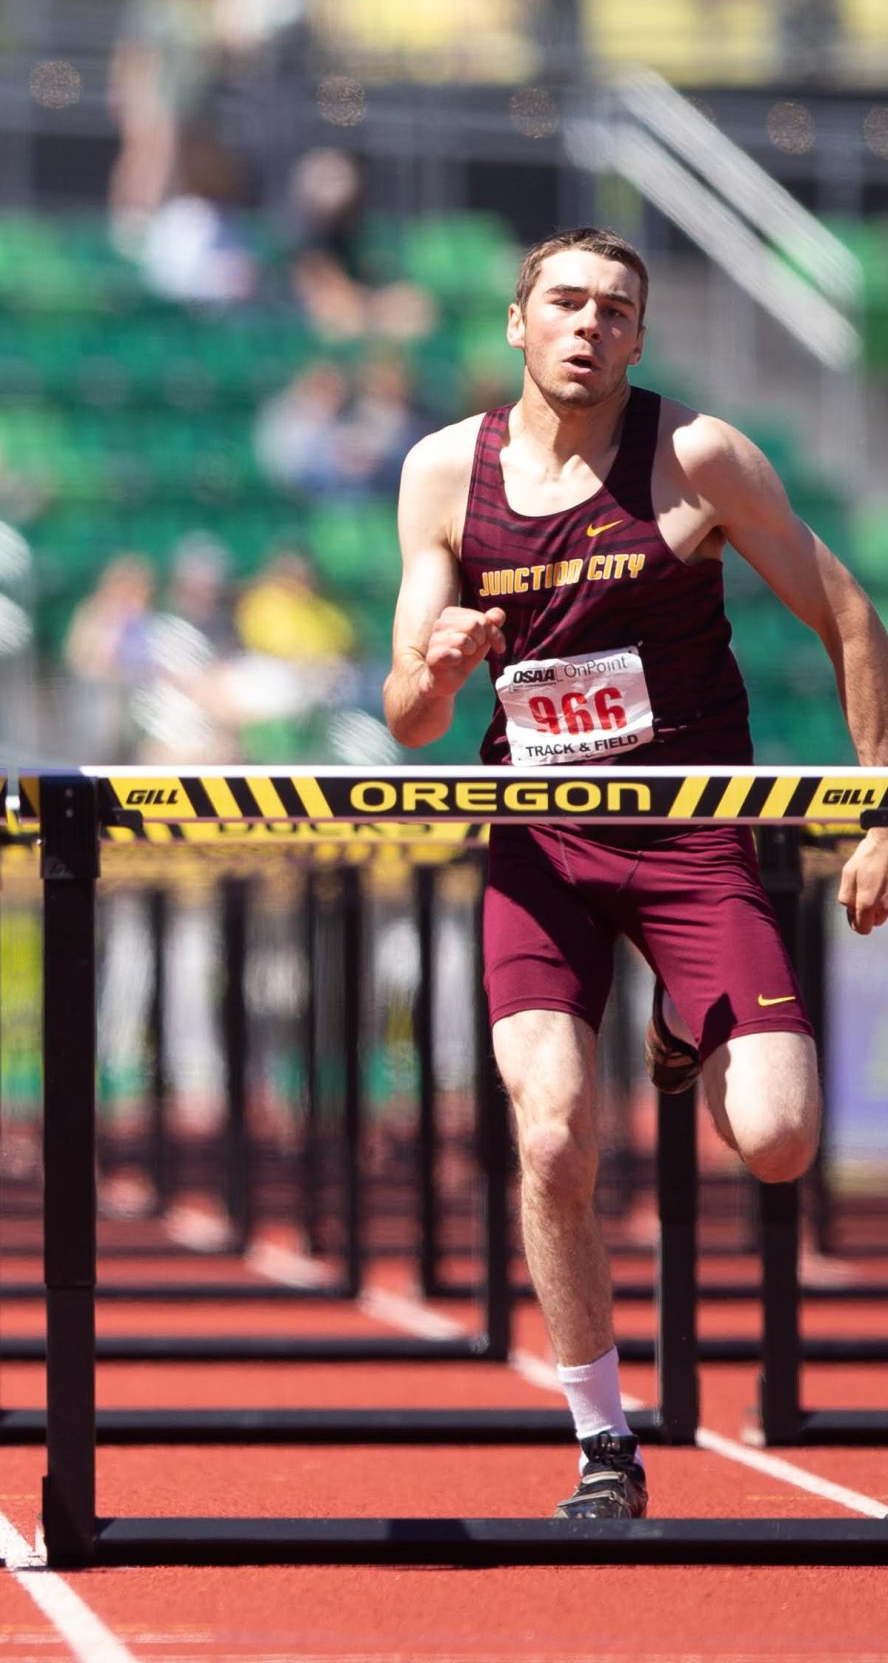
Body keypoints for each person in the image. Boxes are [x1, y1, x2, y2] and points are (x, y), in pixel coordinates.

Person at [381, 228, 888, 1521]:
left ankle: (677, 1021)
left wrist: (882, 806)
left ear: (639, 339)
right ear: (517, 322)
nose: (588, 325)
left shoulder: (697, 455)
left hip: (690, 839)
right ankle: (603, 1440)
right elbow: (407, 718)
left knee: (776, 1141)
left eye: (614, 309)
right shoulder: (442, 473)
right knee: (552, 1134)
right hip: (539, 841)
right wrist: (437, 668)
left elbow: (848, 613)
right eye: (565, 302)